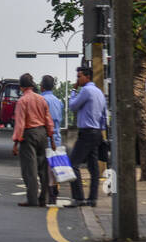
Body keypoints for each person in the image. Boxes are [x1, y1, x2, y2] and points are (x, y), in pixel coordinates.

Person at [67, 65, 107, 207]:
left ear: (87, 77)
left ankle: (78, 198)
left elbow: (73, 106)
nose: (77, 79)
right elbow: (104, 116)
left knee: (72, 164)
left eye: (79, 76)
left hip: (86, 133)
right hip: (97, 132)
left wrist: (73, 90)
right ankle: (92, 198)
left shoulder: (86, 90)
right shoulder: (99, 93)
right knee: (93, 168)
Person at [12, 73, 55, 207]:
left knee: (30, 168)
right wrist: (51, 138)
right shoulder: (41, 99)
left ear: (21, 87)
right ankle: (44, 199)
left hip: (29, 134)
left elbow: (20, 124)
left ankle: (32, 199)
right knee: (43, 168)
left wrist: (16, 143)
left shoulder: (22, 101)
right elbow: (49, 120)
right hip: (42, 133)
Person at [40, 75, 65, 203]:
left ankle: (50, 193)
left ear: (42, 86)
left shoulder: (42, 99)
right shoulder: (58, 101)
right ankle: (54, 191)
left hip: (47, 137)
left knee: (46, 169)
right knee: (54, 168)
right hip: (58, 138)